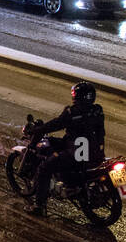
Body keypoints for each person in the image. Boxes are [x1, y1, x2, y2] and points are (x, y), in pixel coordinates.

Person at [29, 81, 106, 215]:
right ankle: (69, 183)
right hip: (95, 153)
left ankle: (39, 206)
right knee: (54, 143)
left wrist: (38, 129)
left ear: (78, 96)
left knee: (45, 168)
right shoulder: (97, 111)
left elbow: (55, 124)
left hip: (77, 153)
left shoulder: (72, 113)